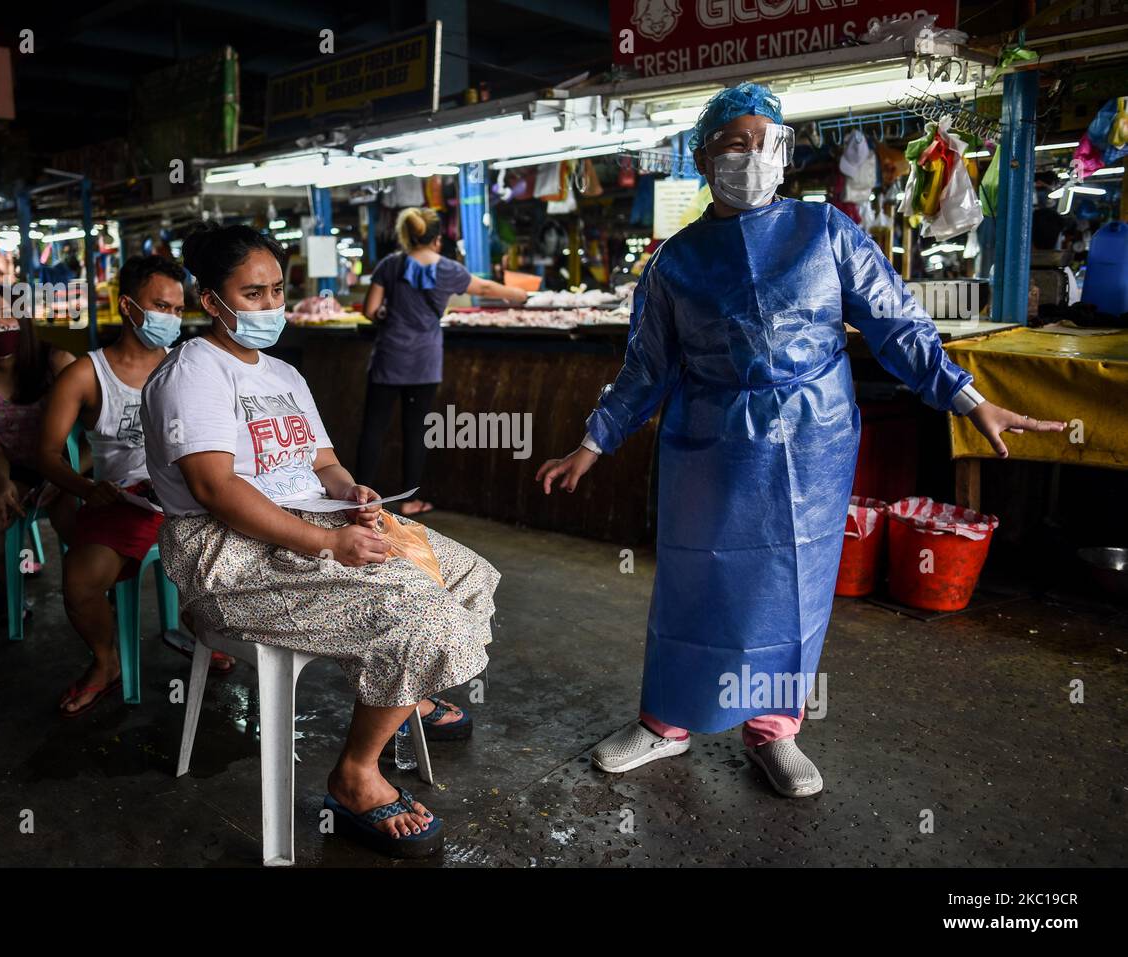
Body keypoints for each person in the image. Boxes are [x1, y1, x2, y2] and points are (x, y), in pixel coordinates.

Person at [536, 83, 1066, 798]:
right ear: (703, 156)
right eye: (734, 143)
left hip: (810, 442)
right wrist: (592, 443)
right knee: (696, 579)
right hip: (707, 444)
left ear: (784, 152)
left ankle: (773, 727)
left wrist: (968, 399)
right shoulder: (675, 262)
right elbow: (646, 367)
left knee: (792, 584)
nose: (750, 157)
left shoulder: (828, 234)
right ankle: (666, 719)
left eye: (765, 143)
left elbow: (898, 326)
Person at [142, 222, 499, 857]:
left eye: (277, 290)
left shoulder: (282, 374)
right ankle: (355, 775)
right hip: (229, 551)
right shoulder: (191, 374)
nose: (270, 306)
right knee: (419, 614)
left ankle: (401, 691)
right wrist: (326, 544)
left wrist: (352, 492)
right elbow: (216, 490)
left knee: (467, 574)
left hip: (314, 520)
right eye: (252, 294)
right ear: (210, 301)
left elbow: (322, 463)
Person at [38, 254, 231, 717]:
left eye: (178, 309)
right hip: (125, 499)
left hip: (190, 494)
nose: (171, 318)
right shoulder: (85, 375)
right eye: (160, 306)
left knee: (238, 555)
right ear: (128, 307)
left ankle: (206, 628)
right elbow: (44, 453)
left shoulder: (191, 367)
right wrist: (85, 488)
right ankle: (106, 663)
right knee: (81, 581)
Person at [356, 207, 529, 516]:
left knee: (374, 428)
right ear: (437, 240)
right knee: (416, 429)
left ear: (406, 236)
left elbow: (370, 309)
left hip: (389, 358)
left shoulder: (389, 266)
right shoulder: (449, 269)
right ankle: (410, 500)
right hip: (424, 361)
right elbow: (486, 288)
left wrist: (388, 314)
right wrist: (519, 294)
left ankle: (359, 499)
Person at [0, 284, 76, 619]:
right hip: (18, 468)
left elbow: (96, 437)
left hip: (72, 466)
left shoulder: (57, 362)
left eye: (8, 313)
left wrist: (65, 476)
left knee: (78, 527)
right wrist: (1, 483)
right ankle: (9, 580)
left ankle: (91, 594)